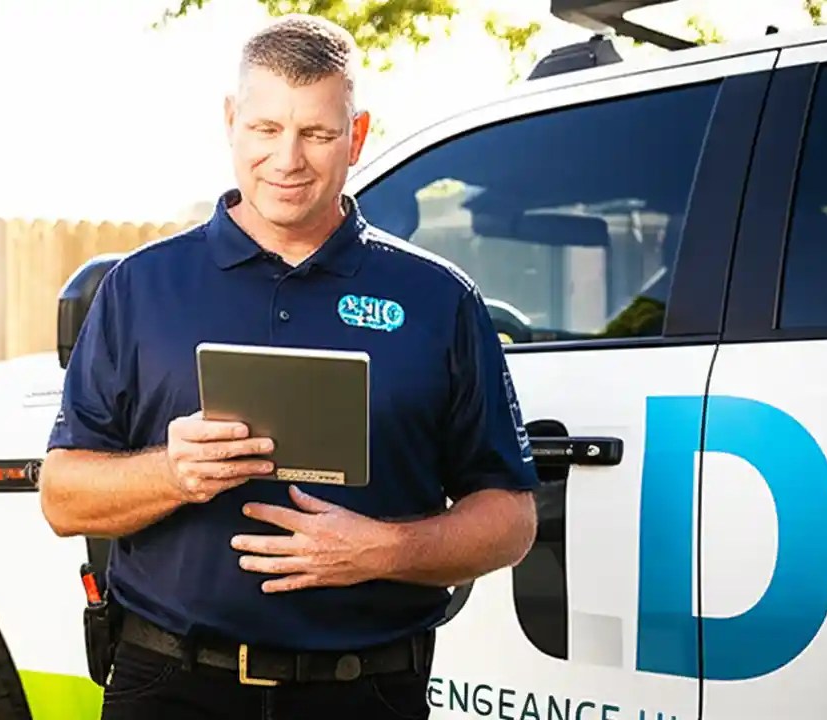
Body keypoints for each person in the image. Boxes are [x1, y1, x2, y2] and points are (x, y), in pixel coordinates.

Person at [38, 13, 539, 720]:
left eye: (318, 133)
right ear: (232, 122)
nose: (288, 159)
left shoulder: (438, 300)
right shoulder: (140, 288)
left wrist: (385, 551)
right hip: (170, 686)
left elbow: (511, 518)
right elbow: (62, 497)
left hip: (364, 692)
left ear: (357, 136)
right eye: (267, 130)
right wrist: (170, 472)